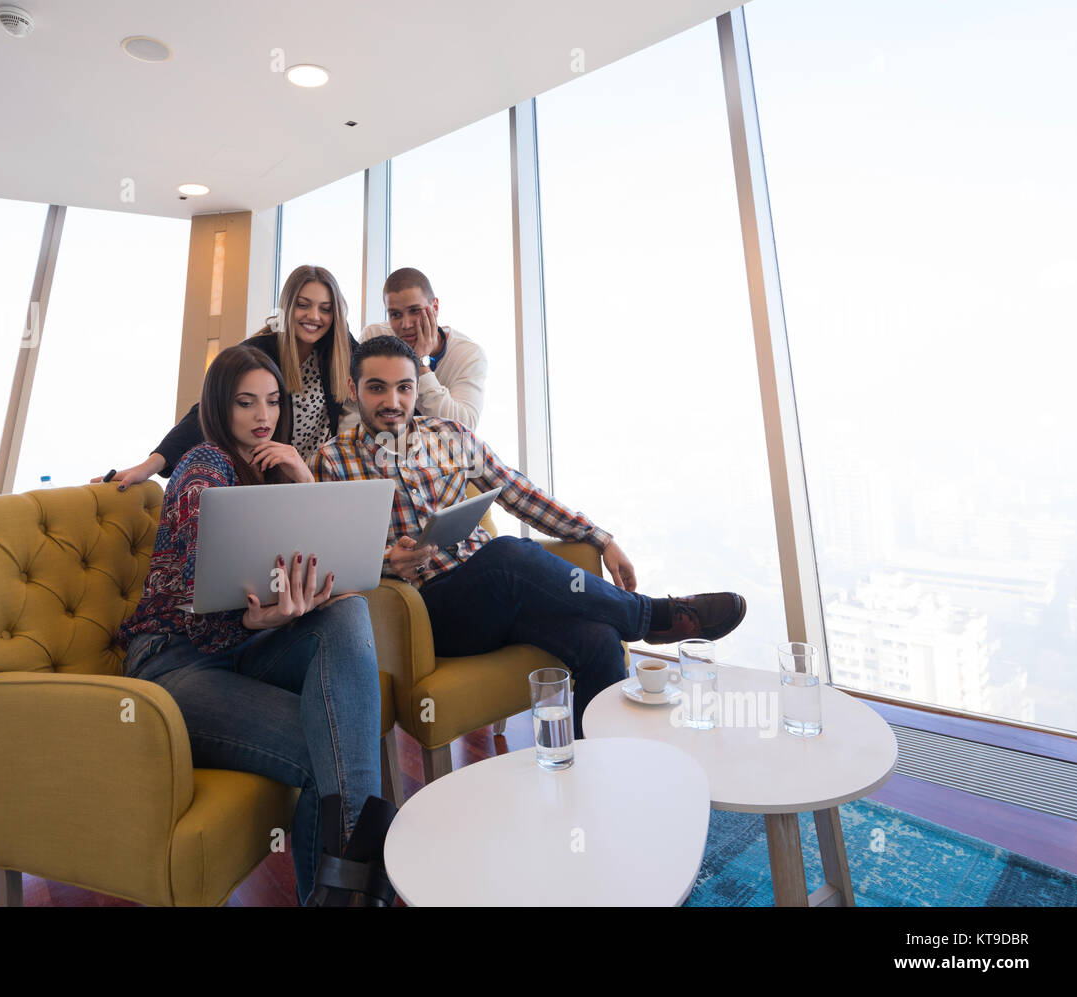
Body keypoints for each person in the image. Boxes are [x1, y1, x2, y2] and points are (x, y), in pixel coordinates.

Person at [309, 335, 748, 739]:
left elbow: (522, 495)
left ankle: (595, 771)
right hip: (432, 614)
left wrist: (599, 537)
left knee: (597, 641)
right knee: (506, 555)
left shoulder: (452, 437)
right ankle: (650, 616)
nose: (393, 400)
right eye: (377, 388)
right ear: (353, 388)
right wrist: (387, 560)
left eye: (404, 387)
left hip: (502, 596)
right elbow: (328, 557)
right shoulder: (331, 461)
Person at [116, 343, 382, 905]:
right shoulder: (202, 468)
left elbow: (337, 573)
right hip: (171, 661)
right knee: (334, 751)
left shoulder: (273, 468)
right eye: (245, 403)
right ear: (219, 406)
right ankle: (353, 893)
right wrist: (252, 621)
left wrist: (304, 480)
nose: (263, 417)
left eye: (271, 402)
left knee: (347, 614)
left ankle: (342, 896)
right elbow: (204, 622)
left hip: (237, 647)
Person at [99, 264, 360, 489]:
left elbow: (380, 374)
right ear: (288, 308)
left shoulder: (340, 349)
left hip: (315, 480)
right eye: (303, 305)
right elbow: (206, 410)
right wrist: (149, 466)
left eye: (325, 309)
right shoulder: (258, 352)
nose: (314, 316)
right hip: (269, 480)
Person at [360, 267, 487, 429]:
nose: (406, 325)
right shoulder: (374, 335)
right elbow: (354, 409)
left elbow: (463, 428)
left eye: (414, 311)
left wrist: (421, 362)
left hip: (441, 452)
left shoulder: (468, 354)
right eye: (395, 315)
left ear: (435, 307)